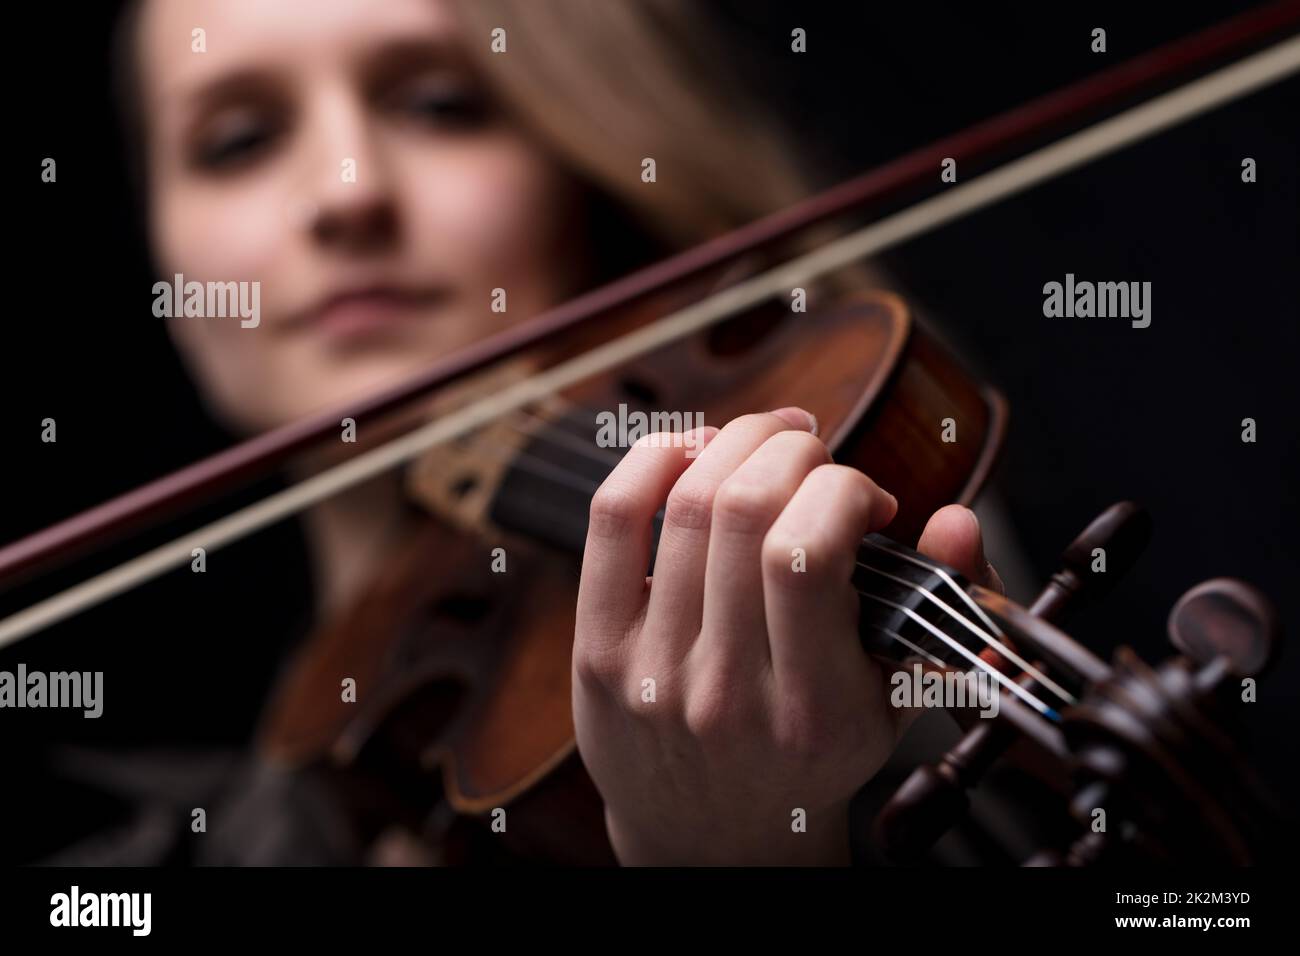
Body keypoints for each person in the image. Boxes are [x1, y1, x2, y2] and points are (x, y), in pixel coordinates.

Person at [89, 0, 1006, 865]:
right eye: (238, 142)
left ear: (582, 153)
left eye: (442, 106)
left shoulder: (812, 528)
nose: (348, 190)